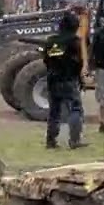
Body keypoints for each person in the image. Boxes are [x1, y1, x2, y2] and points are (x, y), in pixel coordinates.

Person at [44, 11, 87, 149]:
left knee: (54, 112)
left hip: (52, 79)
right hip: (68, 79)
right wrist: (80, 78)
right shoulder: (74, 41)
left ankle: (51, 141)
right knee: (75, 110)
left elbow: (46, 60)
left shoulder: (50, 41)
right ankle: (75, 140)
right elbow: (78, 62)